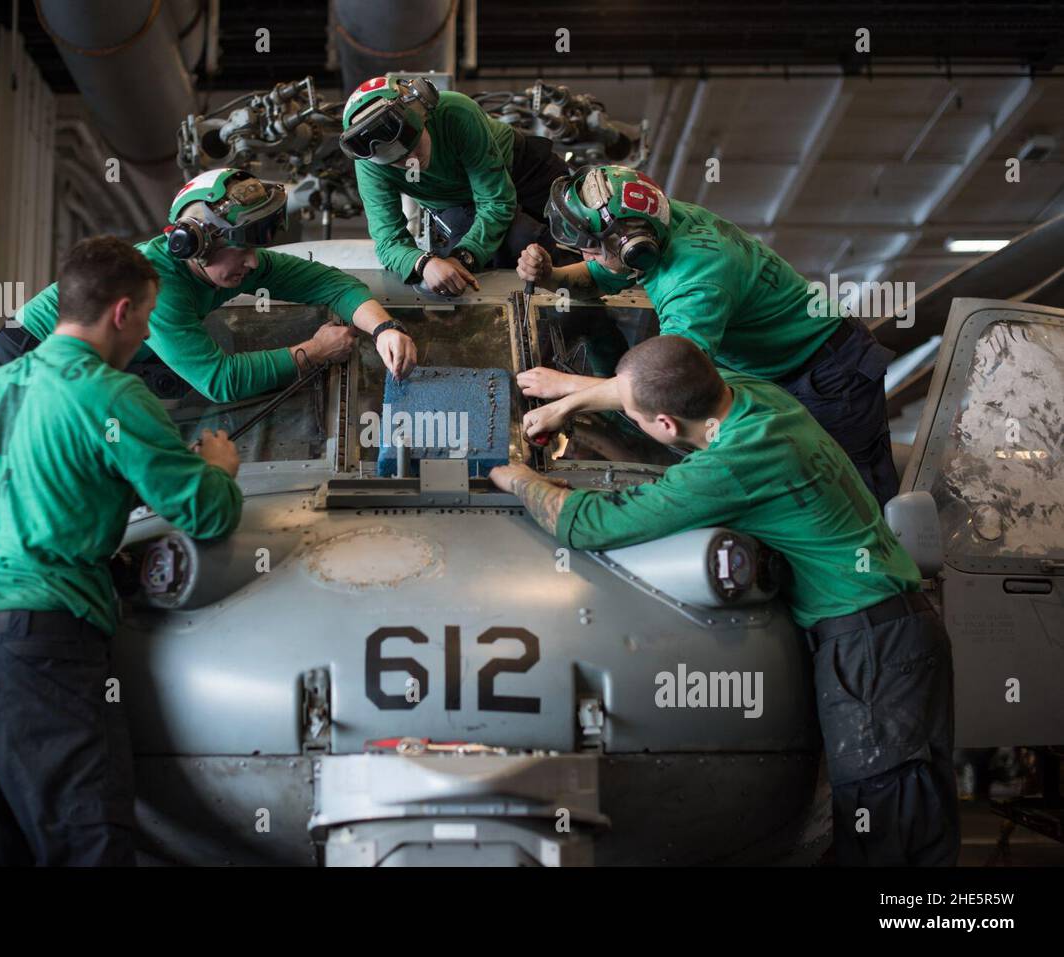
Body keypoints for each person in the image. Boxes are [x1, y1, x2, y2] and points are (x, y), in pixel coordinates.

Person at [490, 335, 960, 866]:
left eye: (637, 417)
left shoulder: (730, 466)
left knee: (891, 832)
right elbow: (658, 385)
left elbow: (588, 522)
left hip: (871, 647)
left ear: (666, 426)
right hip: (891, 633)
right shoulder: (759, 399)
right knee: (889, 819)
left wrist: (517, 477)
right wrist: (572, 398)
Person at [0, 236, 245, 865]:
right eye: (151, 313)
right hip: (43, 651)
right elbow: (205, 513)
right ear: (123, 312)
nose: (152, 330)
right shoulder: (113, 396)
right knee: (88, 846)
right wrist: (219, 467)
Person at [515, 164, 900, 505]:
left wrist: (565, 394)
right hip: (774, 369)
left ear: (632, 249)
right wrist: (552, 276)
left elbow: (665, 382)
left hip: (831, 376)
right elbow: (604, 275)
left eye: (591, 249)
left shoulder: (696, 283)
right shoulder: (658, 223)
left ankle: (888, 574)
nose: (586, 258)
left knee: (845, 493)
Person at [0, 168, 418, 397]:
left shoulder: (235, 263)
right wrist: (313, 352)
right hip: (23, 362)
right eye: (240, 249)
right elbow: (219, 381)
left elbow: (330, 284)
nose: (252, 262)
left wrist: (384, 329)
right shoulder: (155, 285)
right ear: (195, 244)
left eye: (254, 248)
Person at [341, 74, 572, 298]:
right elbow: (388, 240)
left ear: (423, 114)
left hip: (524, 170)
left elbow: (496, 201)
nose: (412, 160)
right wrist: (425, 263)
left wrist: (462, 257)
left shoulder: (456, 112)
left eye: (415, 144)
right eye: (397, 160)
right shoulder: (369, 165)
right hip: (455, 201)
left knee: (576, 232)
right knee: (511, 248)